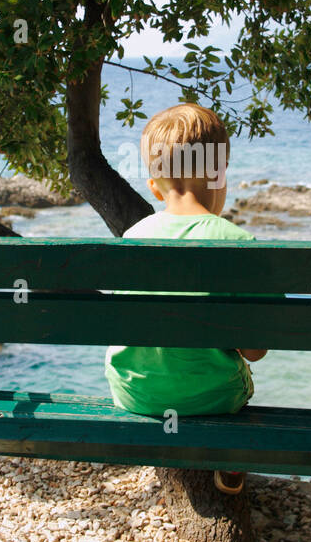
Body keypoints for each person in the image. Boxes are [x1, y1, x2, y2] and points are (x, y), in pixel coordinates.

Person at [104, 102, 267, 495]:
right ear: (218, 175)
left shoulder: (132, 239)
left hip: (134, 393)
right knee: (231, 379)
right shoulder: (239, 244)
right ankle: (228, 456)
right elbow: (255, 351)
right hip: (215, 400)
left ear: (155, 187)